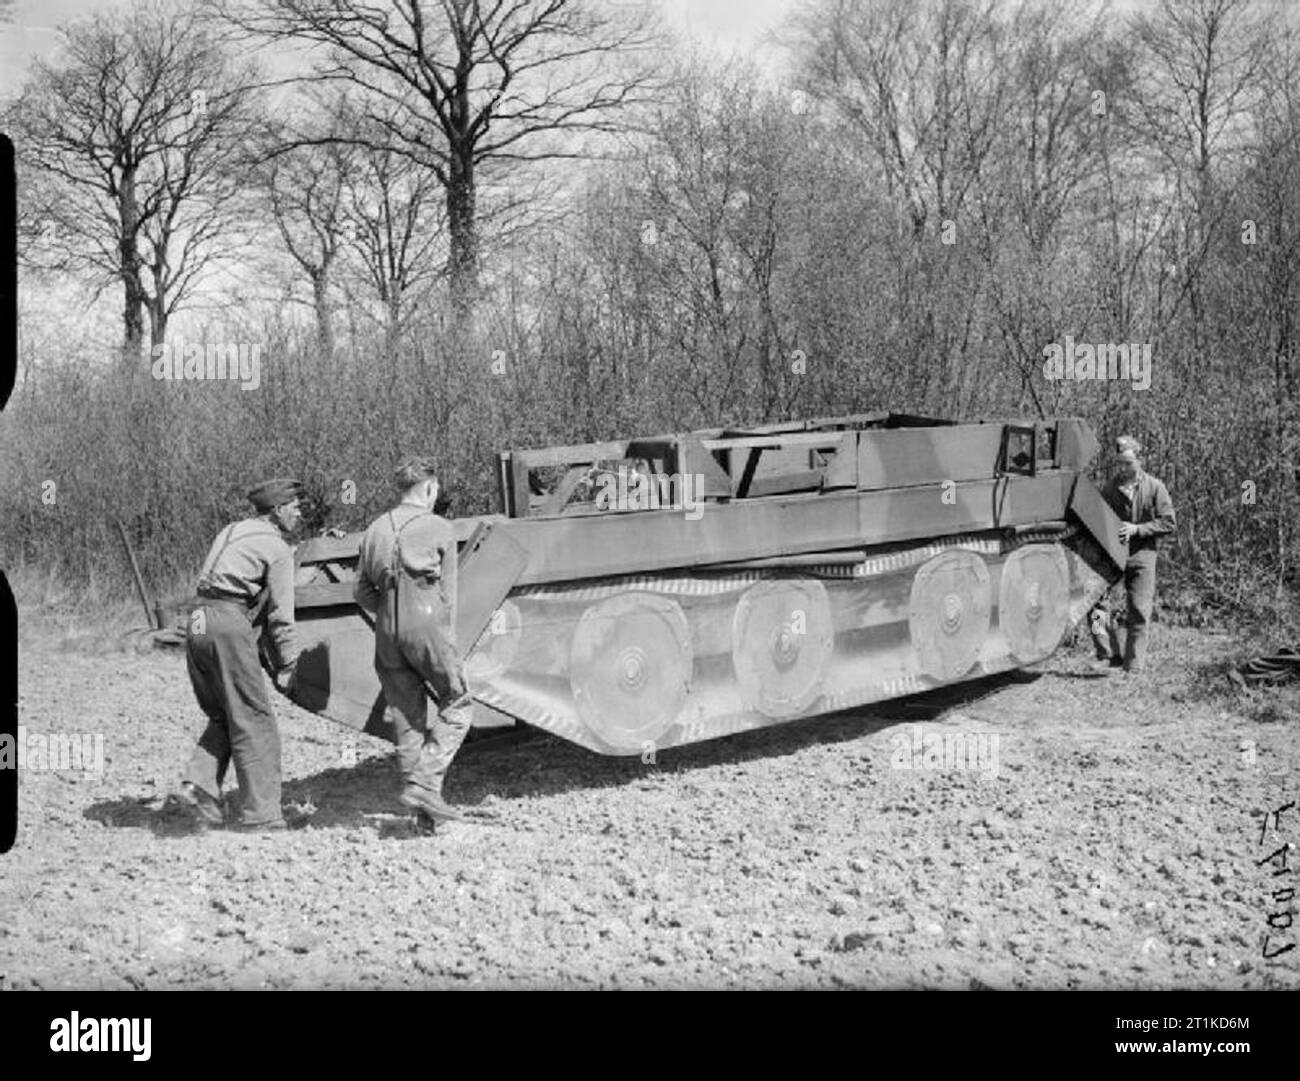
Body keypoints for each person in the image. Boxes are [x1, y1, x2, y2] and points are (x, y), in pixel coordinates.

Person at [175, 477, 304, 830]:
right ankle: (261, 816)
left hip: (197, 621)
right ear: (277, 511)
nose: (300, 512)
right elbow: (281, 616)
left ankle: (198, 783)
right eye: (295, 507)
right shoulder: (278, 549)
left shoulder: (232, 530)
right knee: (255, 719)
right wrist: (289, 662)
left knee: (223, 714)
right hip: (227, 624)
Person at [354, 457, 471, 825]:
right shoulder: (439, 526)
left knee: (406, 716)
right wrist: (437, 633)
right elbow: (449, 595)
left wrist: (390, 612)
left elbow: (360, 592)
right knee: (458, 702)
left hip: (386, 628)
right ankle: (425, 782)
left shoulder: (375, 529)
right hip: (427, 621)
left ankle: (422, 812)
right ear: (430, 488)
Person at [1087, 437, 1176, 675]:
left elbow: (1168, 522)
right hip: (1113, 556)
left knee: (1139, 609)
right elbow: (1100, 522)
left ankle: (1134, 665)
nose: (1123, 469)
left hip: (1143, 556)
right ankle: (1107, 654)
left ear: (1139, 460)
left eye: (1128, 463)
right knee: (1095, 605)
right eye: (1120, 464)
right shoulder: (1109, 489)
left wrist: (1138, 529)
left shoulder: (1155, 487)